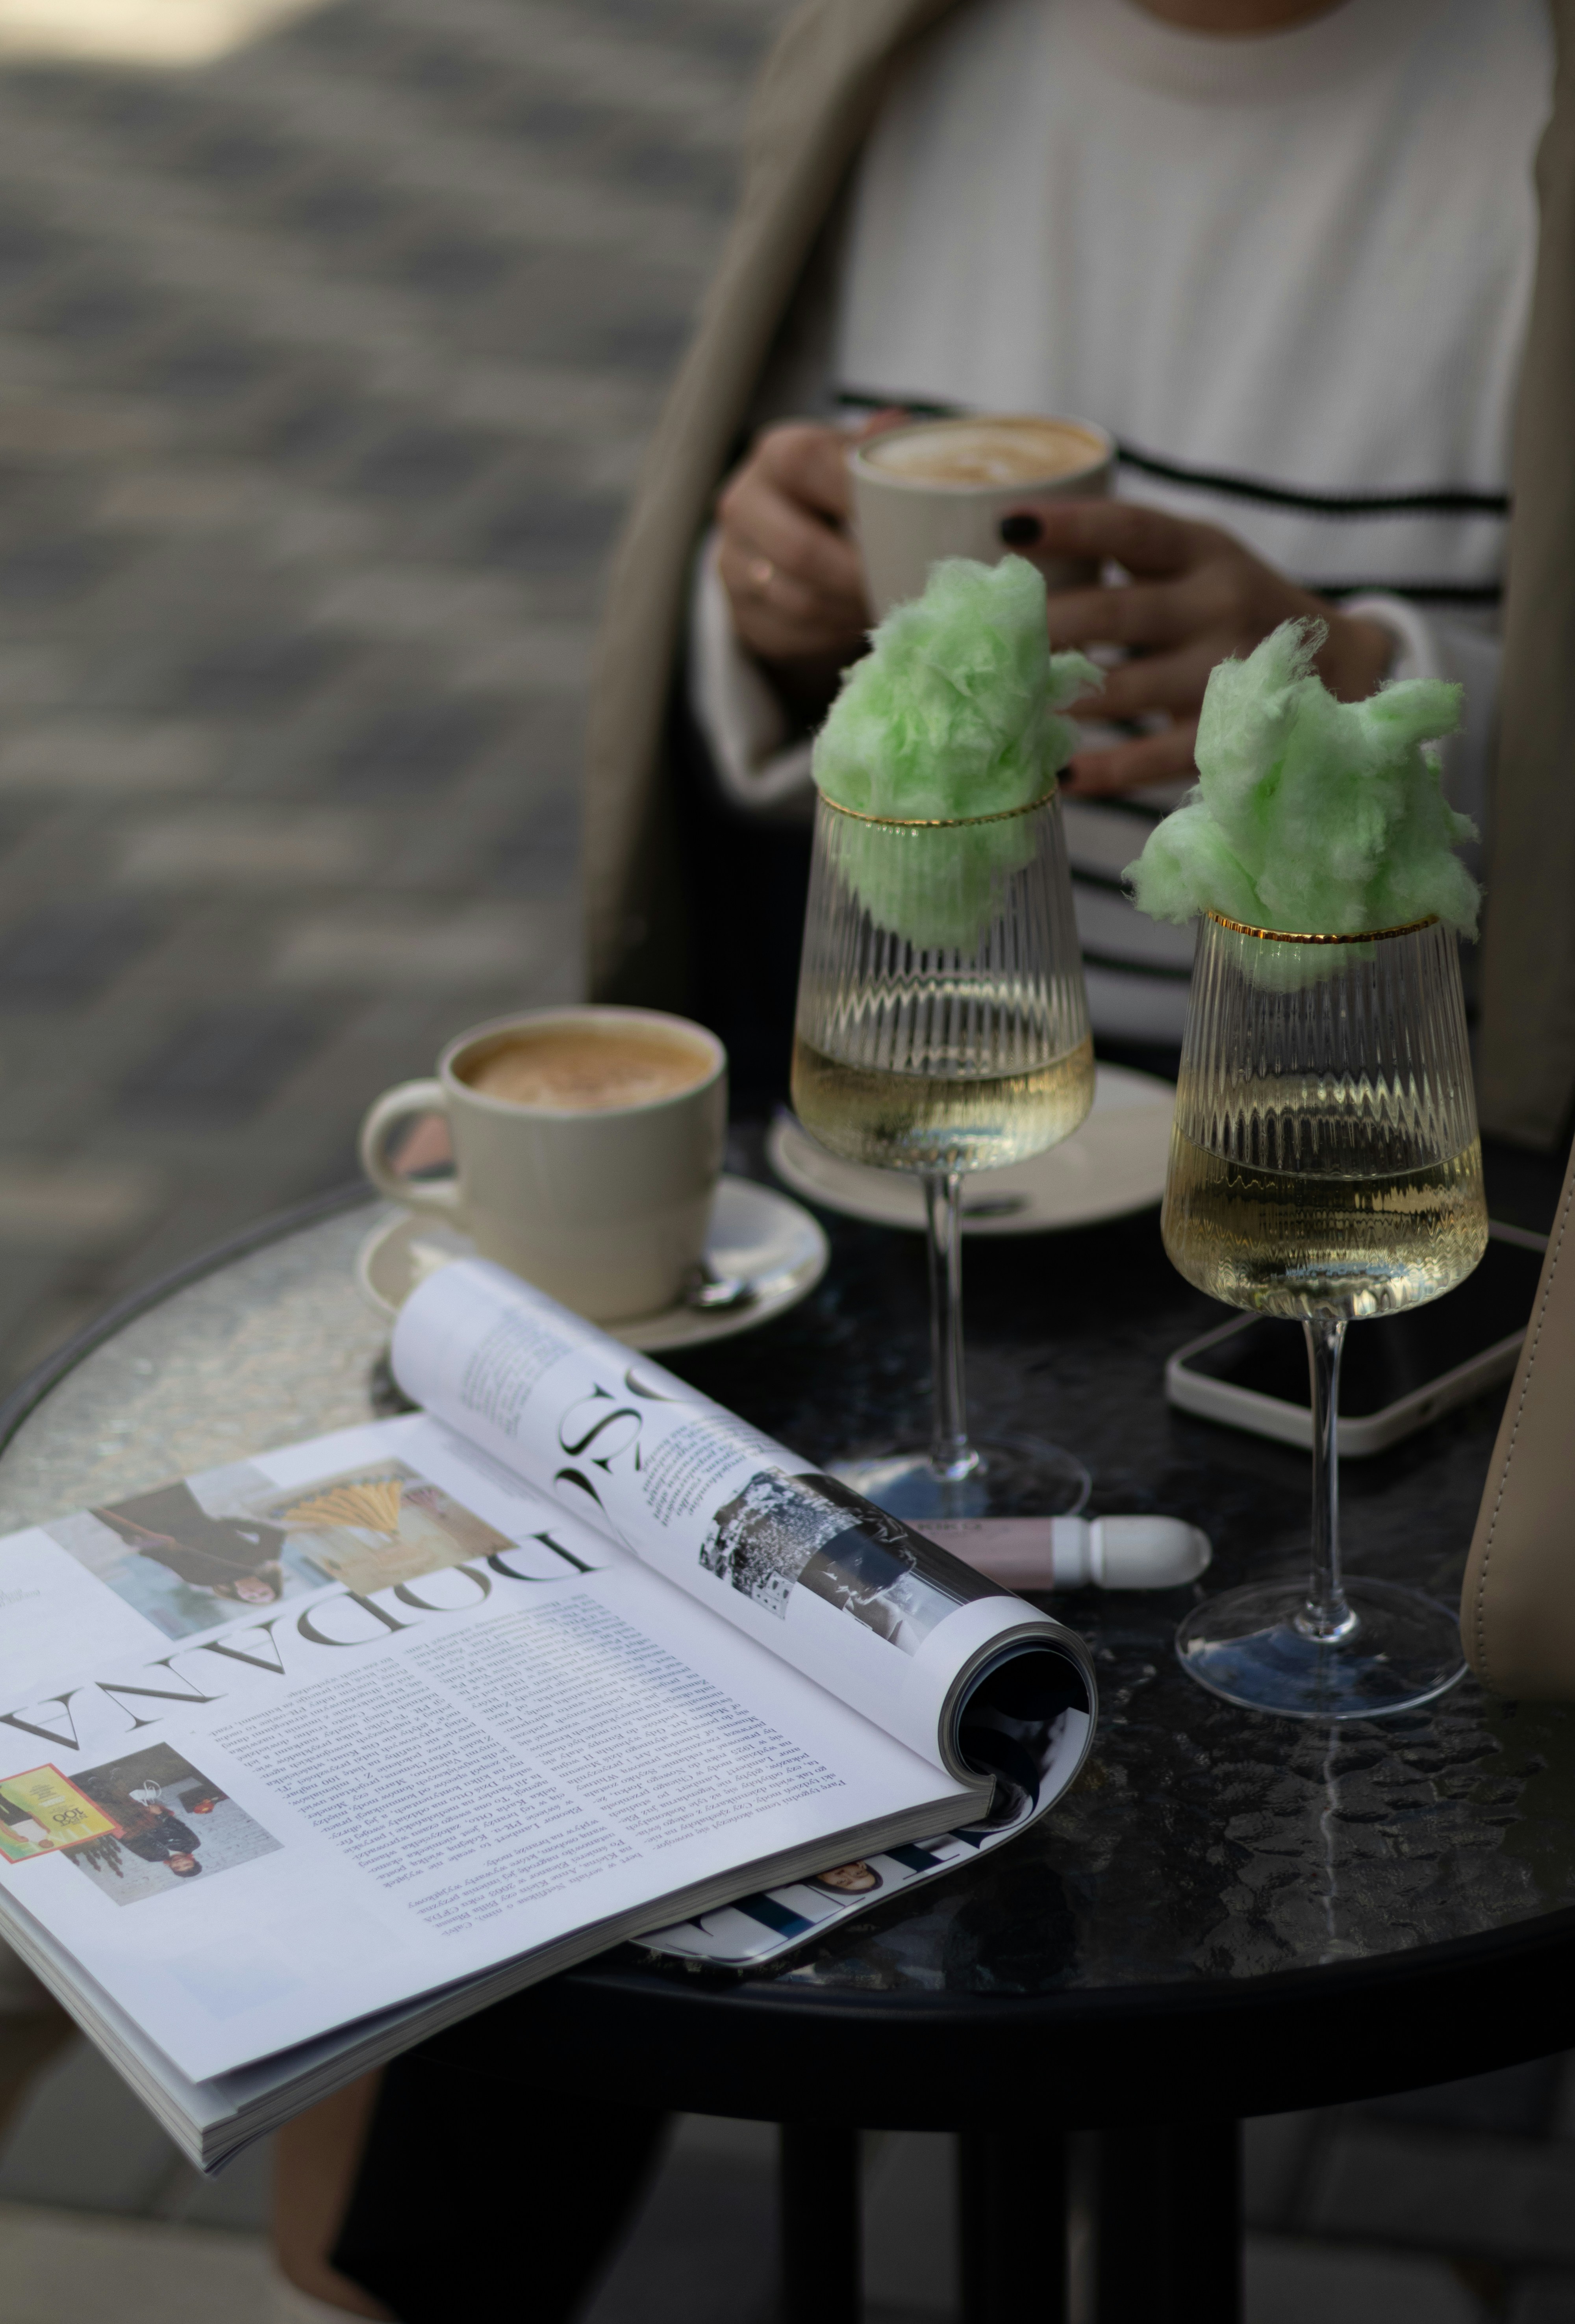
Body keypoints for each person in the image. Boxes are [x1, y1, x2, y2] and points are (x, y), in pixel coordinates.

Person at [276, 2, 1573, 2314]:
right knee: (520, 1738)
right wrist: (761, 596)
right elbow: (769, 671)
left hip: (1373, 1212)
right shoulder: (900, 56)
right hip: (928, 1169)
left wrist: (1357, 678)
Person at [584, 0, 1575, 1151]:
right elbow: (770, 604)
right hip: (909, 1088)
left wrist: (1368, 701)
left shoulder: (1525, 93)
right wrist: (776, 609)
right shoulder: (884, 54)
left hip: (1359, 1153)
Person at [93, 1481, 292, 1607]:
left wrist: (145, 1546)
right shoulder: (263, 1559)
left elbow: (166, 1560)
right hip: (184, 1515)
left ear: (239, 1596)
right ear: (269, 1583)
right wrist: (226, 1524)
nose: (254, 1593)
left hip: (152, 1531)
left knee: (103, 1494)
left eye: (252, 1598)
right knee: (150, 1480)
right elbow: (274, 1533)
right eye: (263, 1592)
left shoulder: (204, 1580)